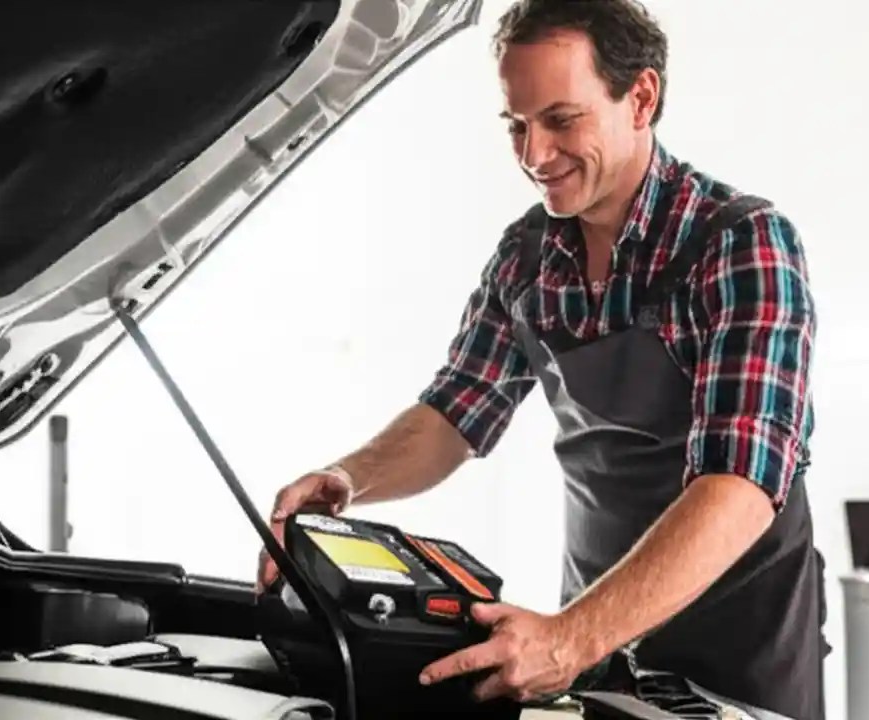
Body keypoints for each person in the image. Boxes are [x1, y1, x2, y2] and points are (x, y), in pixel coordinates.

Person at [257, 1, 826, 717]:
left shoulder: (740, 244)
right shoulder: (528, 255)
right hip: (598, 645)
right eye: (517, 125)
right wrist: (348, 480)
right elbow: (456, 412)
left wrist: (570, 639)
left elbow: (740, 485)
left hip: (742, 657)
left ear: (641, 97)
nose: (533, 155)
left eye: (561, 120)